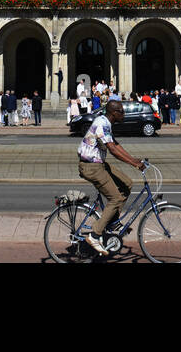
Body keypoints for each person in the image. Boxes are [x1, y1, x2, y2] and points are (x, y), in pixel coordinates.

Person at [77, 99, 146, 255]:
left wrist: (134, 159)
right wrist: (134, 164)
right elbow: (113, 151)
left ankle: (113, 222)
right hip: (91, 166)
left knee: (127, 184)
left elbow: (115, 144)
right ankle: (95, 235)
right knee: (115, 198)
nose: (124, 113)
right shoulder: (101, 123)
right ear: (113, 113)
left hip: (99, 163)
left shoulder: (107, 122)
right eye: (121, 111)